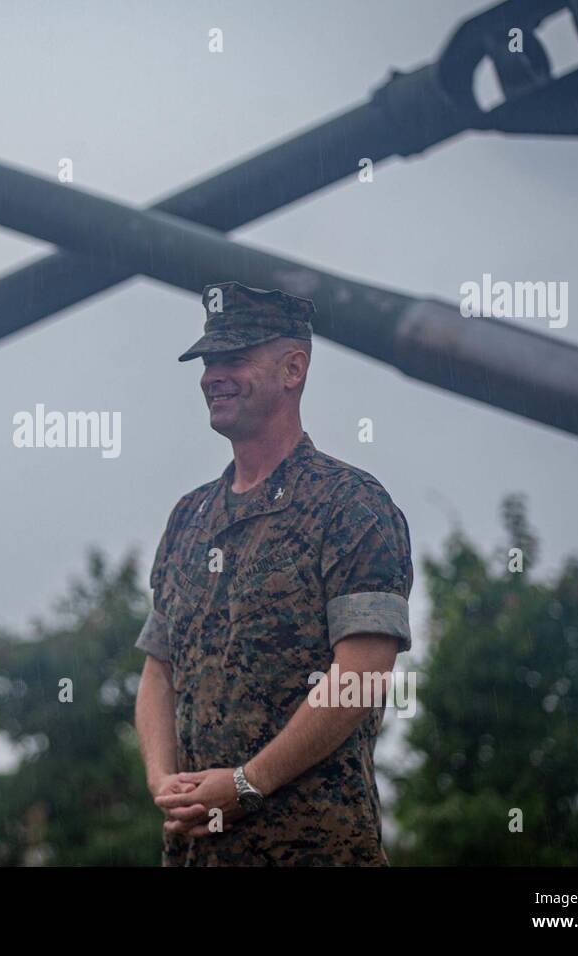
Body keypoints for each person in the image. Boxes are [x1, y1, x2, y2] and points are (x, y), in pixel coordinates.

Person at [134, 280, 413, 865]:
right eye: (209, 361)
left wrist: (246, 784)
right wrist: (164, 782)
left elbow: (362, 675)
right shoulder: (189, 518)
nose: (214, 375)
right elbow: (158, 673)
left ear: (293, 369)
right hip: (197, 853)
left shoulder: (350, 506)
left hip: (313, 851)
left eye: (234, 358)